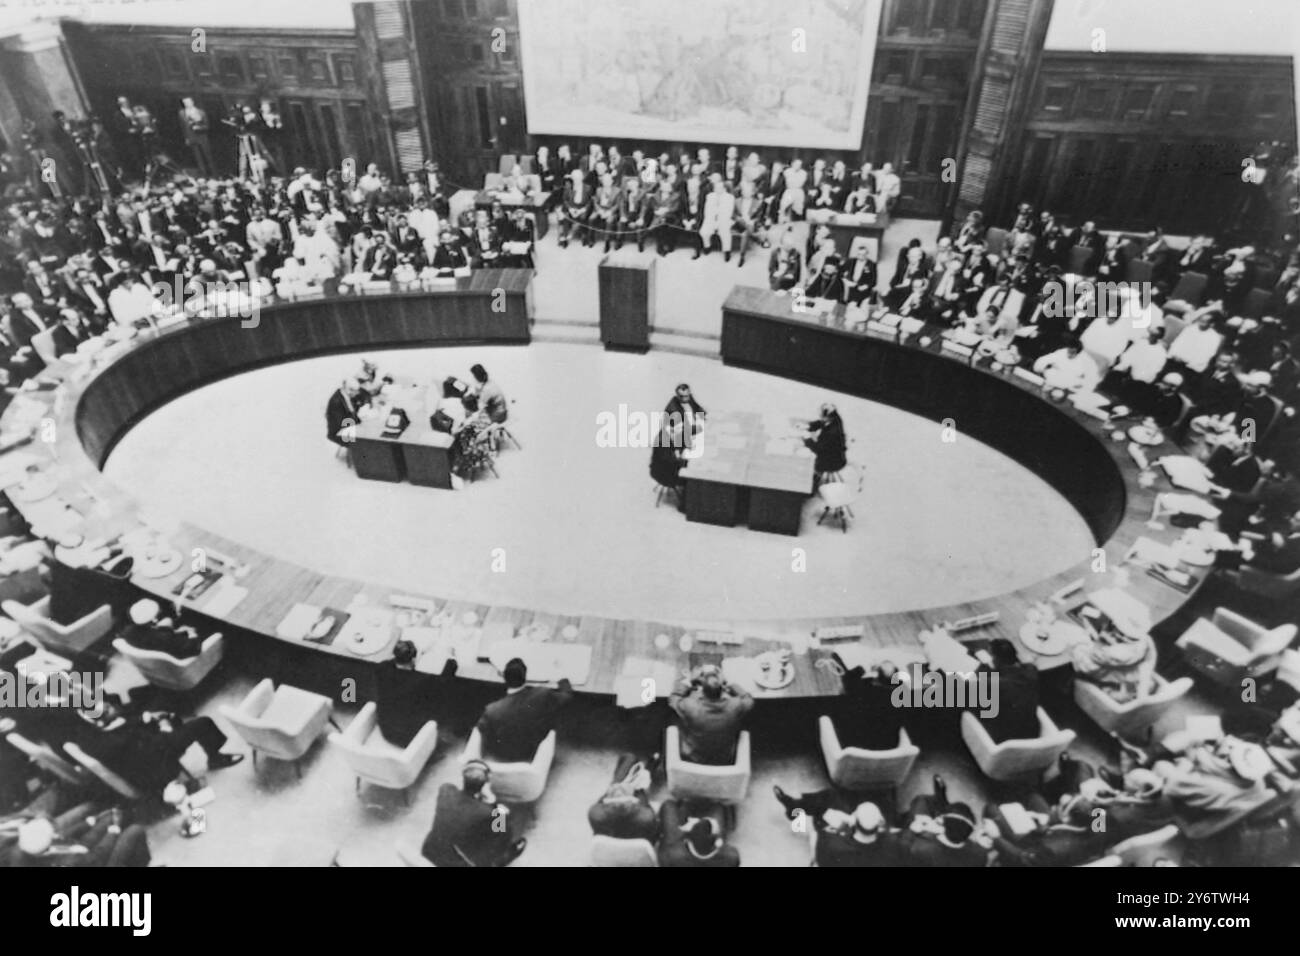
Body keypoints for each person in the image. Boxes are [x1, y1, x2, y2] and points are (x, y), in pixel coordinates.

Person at [420, 761, 526, 867]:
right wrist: (494, 803)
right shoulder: (487, 813)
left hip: (429, 852)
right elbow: (502, 833)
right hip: (458, 863)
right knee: (503, 834)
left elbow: (454, 789)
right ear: (485, 785)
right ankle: (504, 858)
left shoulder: (446, 791)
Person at [474, 658, 572, 763]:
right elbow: (567, 696)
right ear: (525, 676)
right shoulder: (542, 695)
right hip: (532, 751)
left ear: (504, 677)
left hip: (502, 754)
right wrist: (563, 679)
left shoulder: (491, 710)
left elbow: (484, 734)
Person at [374, 639, 459, 747]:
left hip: (386, 729)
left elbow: (392, 663)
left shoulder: (382, 669)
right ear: (413, 659)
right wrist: (451, 658)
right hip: (410, 737)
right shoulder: (421, 681)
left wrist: (417, 654)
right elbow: (445, 680)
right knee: (443, 700)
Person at [668, 664, 753, 765]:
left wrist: (688, 680)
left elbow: (673, 699)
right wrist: (729, 683)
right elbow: (748, 700)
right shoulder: (734, 706)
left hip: (694, 757)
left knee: (673, 717)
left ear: (702, 691)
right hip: (725, 758)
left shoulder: (690, 706)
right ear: (723, 691)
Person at [974, 638, 1041, 742]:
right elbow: (1030, 665)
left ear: (996, 659)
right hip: (1031, 733)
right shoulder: (1031, 672)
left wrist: (984, 668)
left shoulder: (994, 683)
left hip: (1004, 737)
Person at [588, 756, 659, 842]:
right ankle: (649, 768)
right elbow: (652, 819)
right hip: (637, 833)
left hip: (609, 835)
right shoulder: (646, 818)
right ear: (634, 801)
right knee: (639, 780)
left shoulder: (595, 815)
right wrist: (636, 789)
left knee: (628, 762)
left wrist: (615, 791)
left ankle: (647, 768)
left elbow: (601, 802)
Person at [657, 801, 739, 867]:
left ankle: (685, 803)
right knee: (718, 807)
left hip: (680, 856)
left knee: (668, 805)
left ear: (688, 841)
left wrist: (683, 832)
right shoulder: (731, 856)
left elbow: (663, 855)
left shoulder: (673, 855)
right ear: (717, 842)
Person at [119, 598, 207, 660]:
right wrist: (191, 633)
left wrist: (172, 631)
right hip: (185, 656)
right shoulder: (165, 638)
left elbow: (153, 637)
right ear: (154, 620)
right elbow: (193, 648)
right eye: (159, 612)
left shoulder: (128, 631)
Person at [804, 402, 847, 481]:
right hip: (837, 457)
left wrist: (806, 441)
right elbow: (822, 423)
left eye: (822, 416)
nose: (821, 418)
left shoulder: (832, 432)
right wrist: (810, 426)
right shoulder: (835, 420)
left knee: (806, 461)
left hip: (831, 462)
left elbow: (819, 449)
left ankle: (813, 485)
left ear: (827, 416)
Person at [325, 377, 369, 447]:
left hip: (349, 428)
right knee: (366, 443)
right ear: (349, 390)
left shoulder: (346, 395)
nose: (357, 393)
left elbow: (352, 412)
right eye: (356, 391)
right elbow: (341, 424)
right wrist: (358, 422)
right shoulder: (336, 401)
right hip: (339, 434)